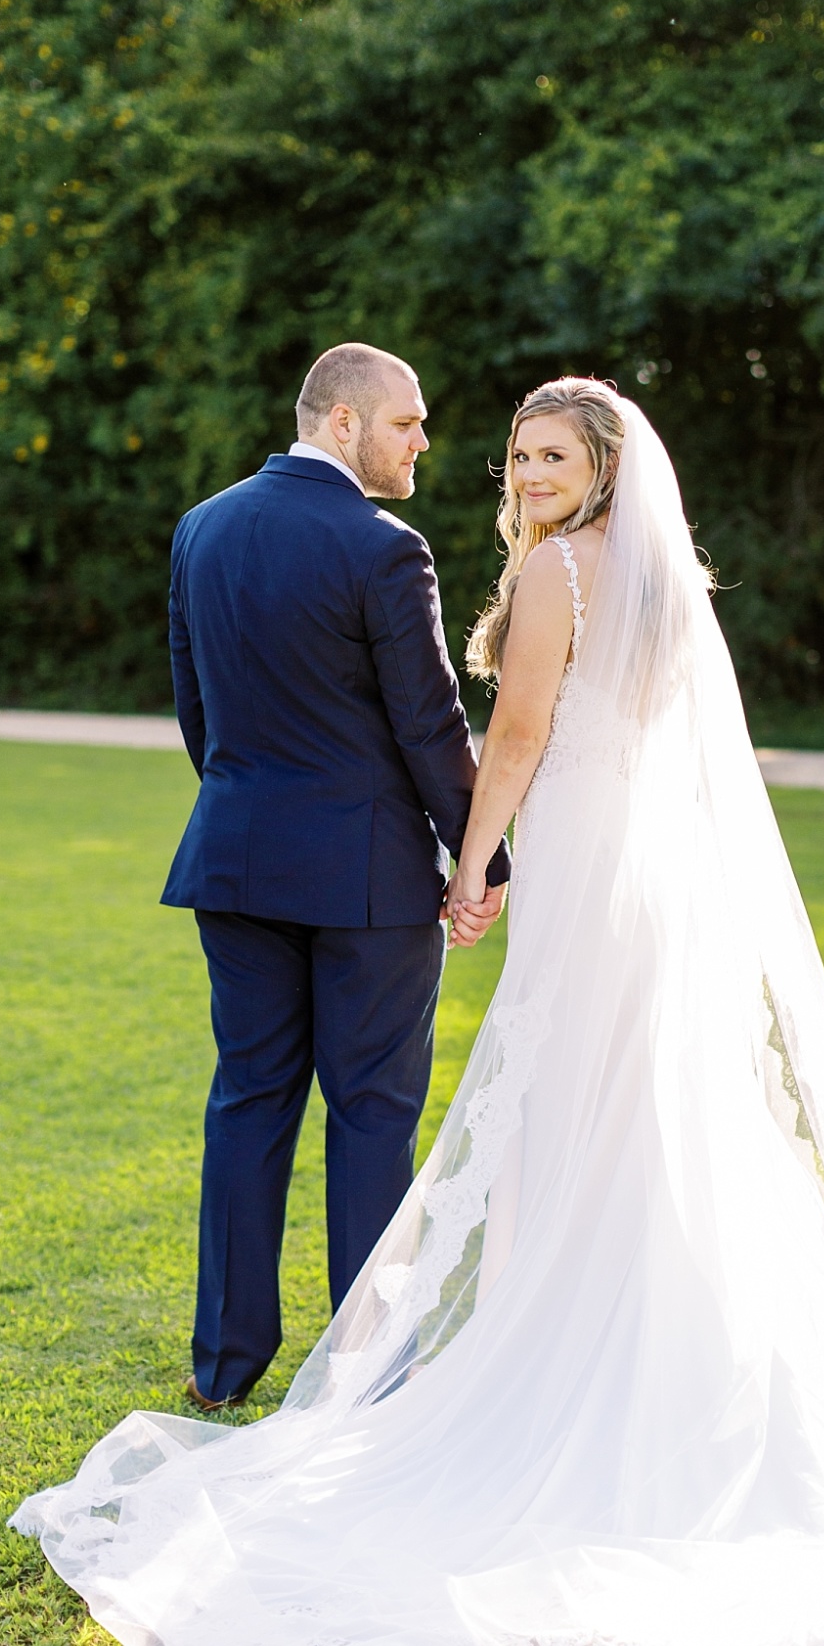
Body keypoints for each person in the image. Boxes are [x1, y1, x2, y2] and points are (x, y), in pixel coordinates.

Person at [13, 380, 824, 1646]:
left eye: (550, 454)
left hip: (511, 876)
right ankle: (616, 1363)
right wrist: (470, 848)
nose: (522, 472)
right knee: (602, 1116)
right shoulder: (645, 576)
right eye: (516, 453)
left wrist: (466, 855)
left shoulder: (501, 567)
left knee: (520, 1112)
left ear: (602, 466)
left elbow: (509, 734)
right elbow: (533, 728)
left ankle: (407, 1359)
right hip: (631, 882)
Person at [159, 342, 509, 1412]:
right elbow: (430, 724)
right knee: (370, 1114)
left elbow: (195, 707)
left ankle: (224, 1365)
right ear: (344, 422)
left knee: (247, 1100)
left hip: (234, 860)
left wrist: (248, 808)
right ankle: (367, 1371)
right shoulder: (383, 546)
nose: (423, 441)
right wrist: (481, 858)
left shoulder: (201, 526)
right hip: (366, 883)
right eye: (407, 421)